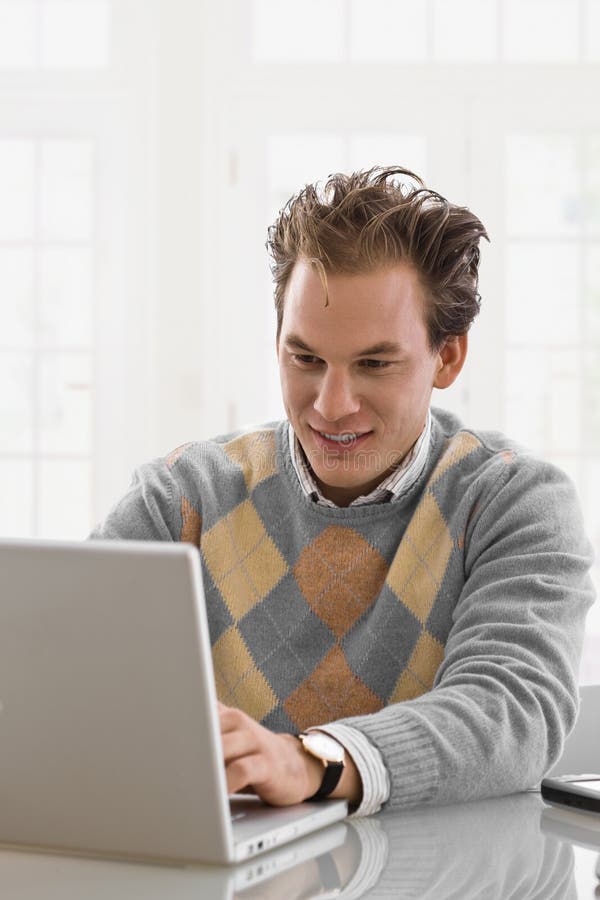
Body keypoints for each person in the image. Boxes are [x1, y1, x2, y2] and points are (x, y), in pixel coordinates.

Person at [90, 166, 595, 816]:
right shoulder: (181, 497)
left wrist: (309, 762)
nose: (331, 405)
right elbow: (60, 673)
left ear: (448, 358)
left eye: (374, 364)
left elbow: (510, 713)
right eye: (305, 359)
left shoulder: (515, 502)